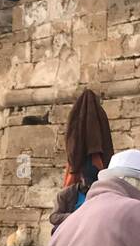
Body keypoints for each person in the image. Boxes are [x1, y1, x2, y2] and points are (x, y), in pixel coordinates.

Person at [49, 89, 115, 230]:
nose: (87, 184)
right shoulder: (67, 195)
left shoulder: (101, 195)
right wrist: (76, 216)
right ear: (81, 178)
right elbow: (53, 217)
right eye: (86, 180)